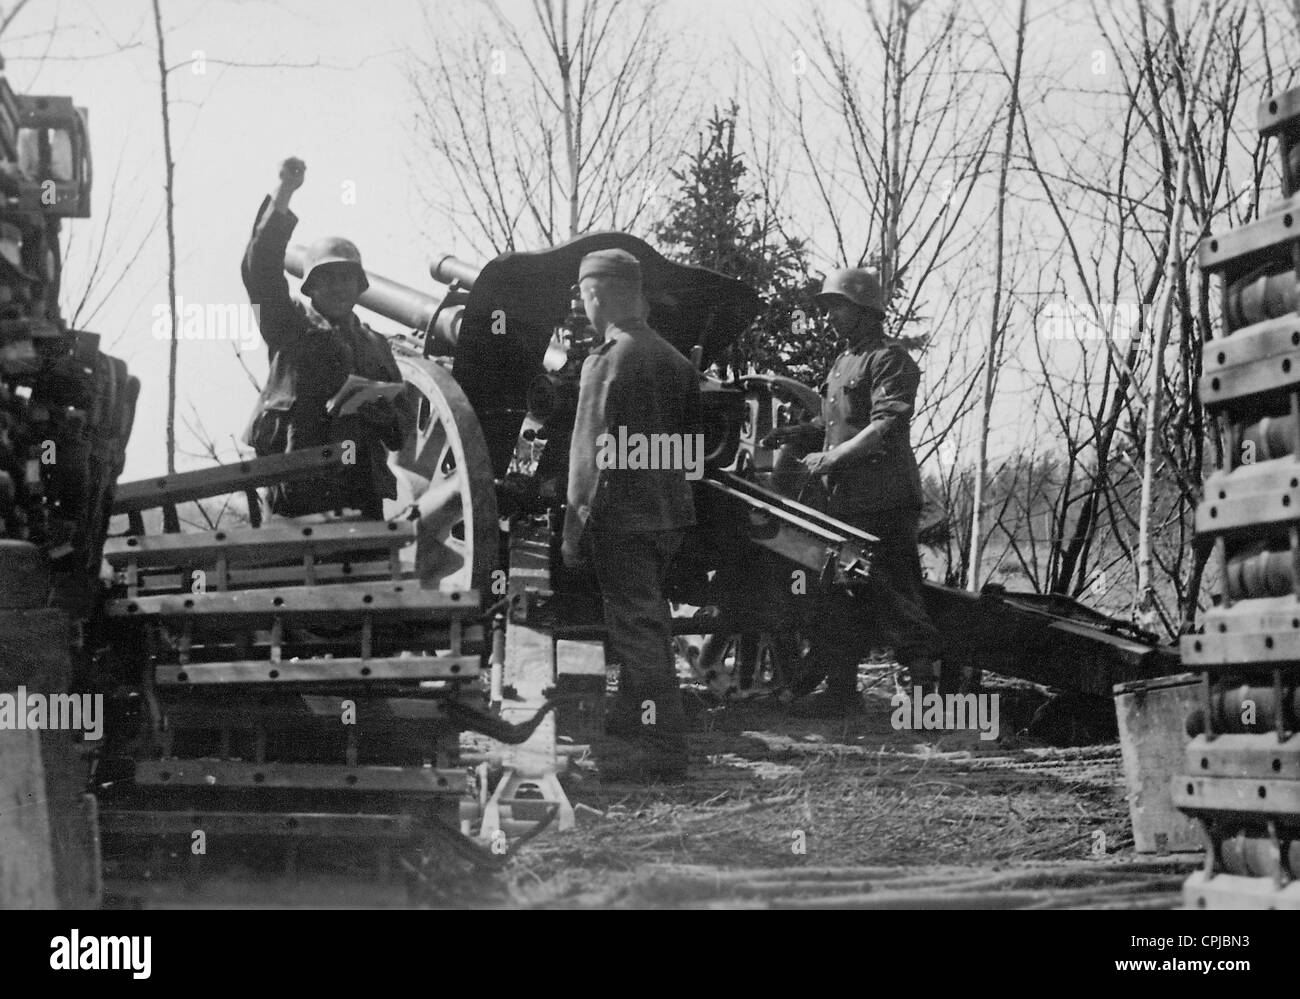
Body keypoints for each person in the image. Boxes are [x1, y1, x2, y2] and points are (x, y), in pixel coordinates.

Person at [562, 248, 702, 781]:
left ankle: (664, 747)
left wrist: (575, 526)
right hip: (669, 517)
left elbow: (589, 454)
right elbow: (690, 452)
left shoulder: (607, 360)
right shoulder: (675, 360)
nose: (583, 306)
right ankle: (628, 717)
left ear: (596, 293)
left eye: (583, 296)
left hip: (623, 519)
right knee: (645, 619)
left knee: (638, 629)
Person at [788, 266, 944, 718]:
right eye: (829, 308)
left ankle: (926, 703)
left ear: (863, 309)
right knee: (840, 596)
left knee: (897, 594)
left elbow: (885, 425)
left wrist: (832, 459)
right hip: (844, 503)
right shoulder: (841, 364)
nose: (830, 316)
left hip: (884, 500)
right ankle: (840, 693)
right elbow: (834, 425)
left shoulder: (889, 360)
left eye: (837, 307)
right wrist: (800, 434)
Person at [241, 157, 405, 520]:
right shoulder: (290, 325)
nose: (338, 286)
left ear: (359, 286)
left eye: (346, 278)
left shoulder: (376, 344)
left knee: (371, 574)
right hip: (301, 487)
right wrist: (285, 191)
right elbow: (260, 269)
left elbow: (399, 432)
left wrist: (381, 411)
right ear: (312, 286)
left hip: (363, 491)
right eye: (327, 278)